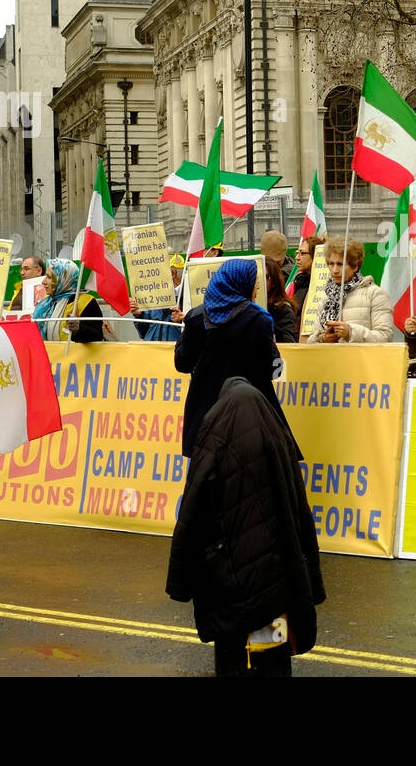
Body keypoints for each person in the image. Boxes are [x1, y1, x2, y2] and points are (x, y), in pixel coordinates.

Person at [166, 377, 326, 677]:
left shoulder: (214, 429)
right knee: (272, 660)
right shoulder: (277, 432)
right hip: (275, 583)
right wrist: (312, 586)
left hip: (228, 579)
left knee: (232, 658)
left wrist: (180, 582)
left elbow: (193, 510)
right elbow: (300, 513)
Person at [174, 258, 286, 460]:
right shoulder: (259, 320)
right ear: (242, 284)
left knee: (202, 484)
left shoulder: (195, 317)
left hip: (204, 419)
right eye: (255, 283)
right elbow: (275, 371)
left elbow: (181, 364)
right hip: (249, 419)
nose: (256, 288)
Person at [306, 237, 394, 343]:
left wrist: (351, 332)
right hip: (331, 358)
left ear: (355, 266)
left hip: (363, 359)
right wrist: (323, 339)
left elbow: (385, 337)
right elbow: (311, 340)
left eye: (340, 264)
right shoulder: (327, 296)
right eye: (331, 264)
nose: (334, 270)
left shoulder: (375, 294)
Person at [33, 258, 103, 342]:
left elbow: (98, 335)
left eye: (49, 277)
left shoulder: (85, 301)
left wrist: (79, 328)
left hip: (74, 355)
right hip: (49, 353)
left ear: (64, 279)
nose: (43, 281)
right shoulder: (45, 302)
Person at [131, 254, 186, 342]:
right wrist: (139, 315)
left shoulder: (188, 298)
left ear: (172, 274)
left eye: (156, 273)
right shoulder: (154, 297)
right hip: (152, 351)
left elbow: (196, 335)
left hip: (174, 352)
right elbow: (143, 333)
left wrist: (182, 320)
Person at [264, 258, 299, 344]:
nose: (259, 282)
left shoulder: (283, 309)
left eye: (265, 277)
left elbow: (288, 342)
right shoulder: (247, 307)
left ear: (274, 282)